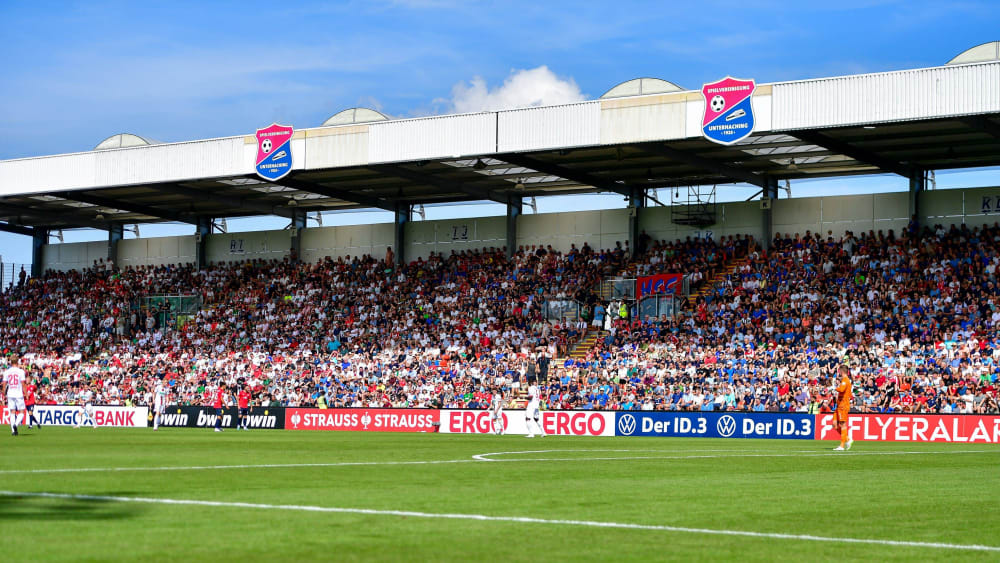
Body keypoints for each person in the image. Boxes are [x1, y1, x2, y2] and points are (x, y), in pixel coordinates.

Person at [3, 356, 27, 436]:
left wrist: (3, 393)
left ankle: (13, 431)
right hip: (18, 393)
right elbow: (23, 384)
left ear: (11, 362)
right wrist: (26, 394)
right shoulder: (21, 371)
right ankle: (15, 425)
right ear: (17, 362)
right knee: (22, 411)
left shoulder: (7, 372)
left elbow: (4, 383)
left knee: (12, 412)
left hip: (10, 393)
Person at [832, 365, 854, 451]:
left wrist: (834, 388)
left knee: (842, 424)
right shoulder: (844, 381)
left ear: (841, 371)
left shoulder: (845, 380)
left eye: (839, 372)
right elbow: (849, 394)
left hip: (843, 406)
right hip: (839, 405)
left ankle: (841, 446)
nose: (838, 373)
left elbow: (841, 389)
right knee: (834, 424)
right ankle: (848, 439)